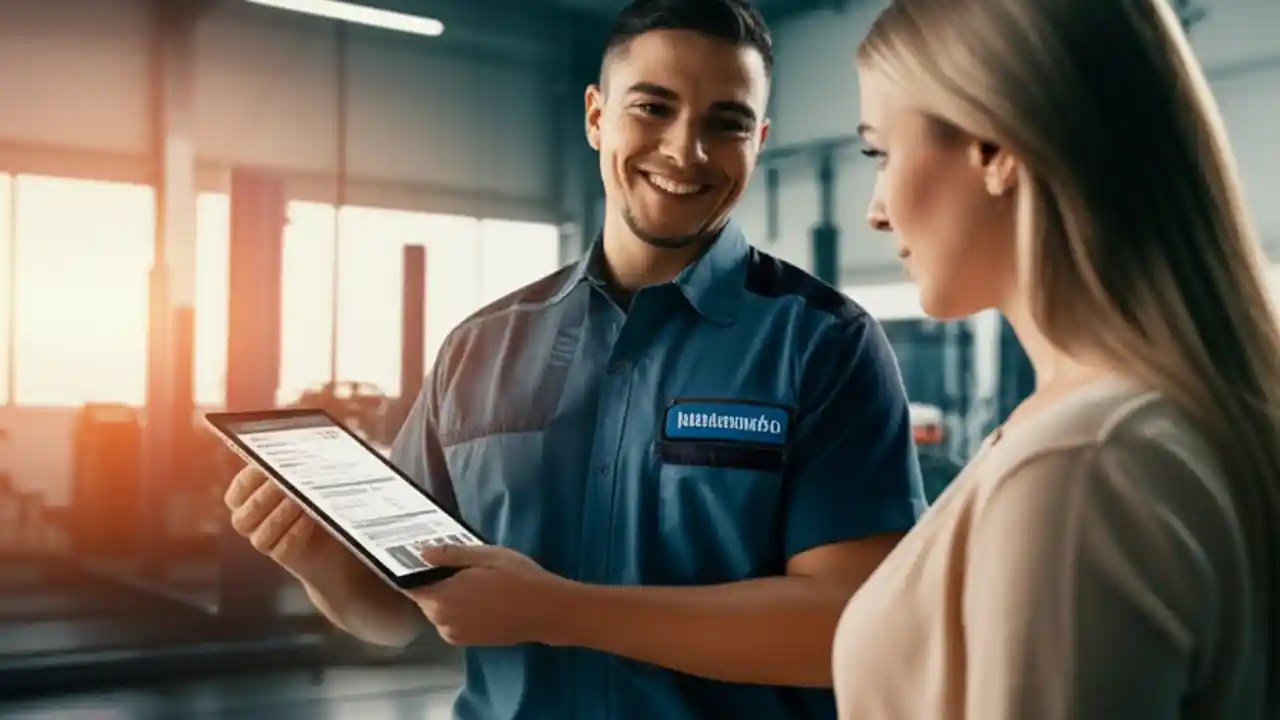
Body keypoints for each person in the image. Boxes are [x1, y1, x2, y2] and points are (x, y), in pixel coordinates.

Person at [223, 0, 926, 718]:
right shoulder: (478, 350)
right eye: (653, 108)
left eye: (727, 123)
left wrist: (556, 610)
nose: (686, 150)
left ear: (760, 140)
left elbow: (846, 626)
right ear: (596, 116)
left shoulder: (824, 346)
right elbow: (395, 613)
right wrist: (316, 560)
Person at [831, 0, 1279, 717]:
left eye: (879, 154)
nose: (875, 211)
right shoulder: (1152, 431)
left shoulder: (1082, 465)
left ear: (995, 149)